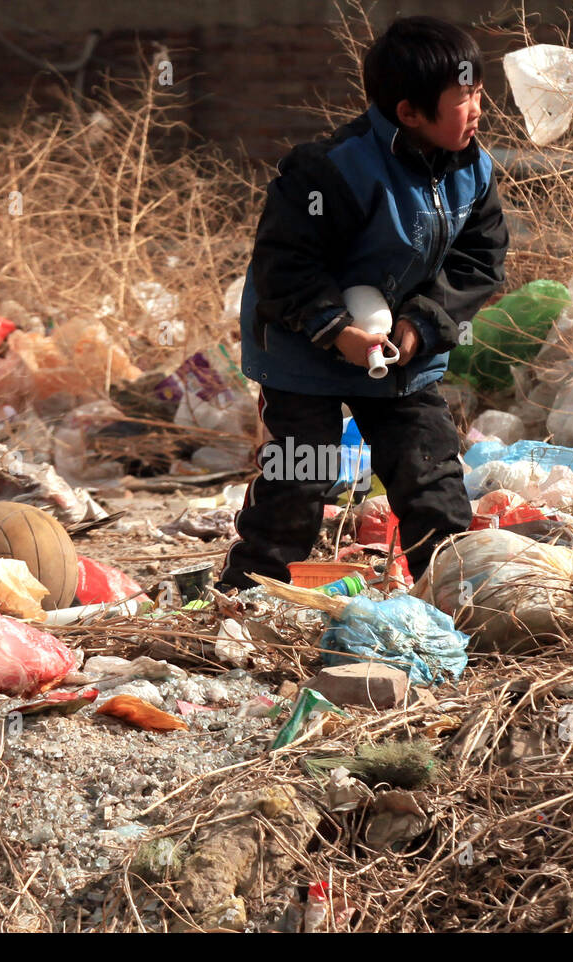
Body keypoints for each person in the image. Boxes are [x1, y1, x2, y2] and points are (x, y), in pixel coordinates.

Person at [219, 15, 508, 592]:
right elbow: (285, 266)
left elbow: (479, 261)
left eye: (478, 92)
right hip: (305, 345)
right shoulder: (328, 172)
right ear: (409, 113)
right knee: (302, 476)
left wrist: (421, 326)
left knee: (430, 475)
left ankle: (453, 600)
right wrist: (336, 331)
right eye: (462, 98)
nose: (477, 108)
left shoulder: (471, 169)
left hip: (399, 351)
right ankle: (246, 600)